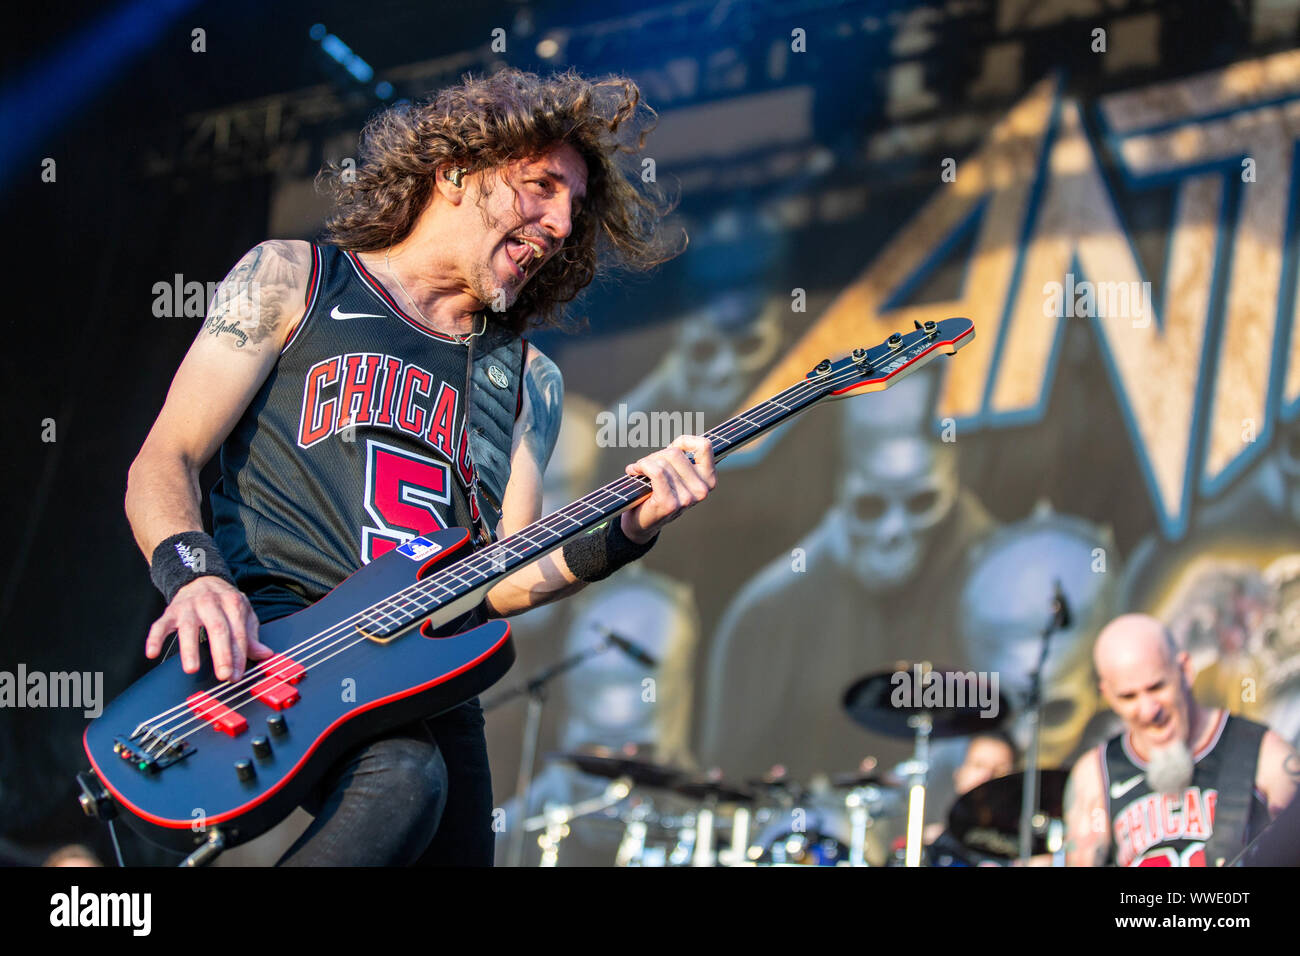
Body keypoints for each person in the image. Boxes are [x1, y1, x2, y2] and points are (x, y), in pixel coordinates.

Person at [124, 69, 717, 866]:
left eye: (574, 207)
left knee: (431, 798)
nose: (561, 220)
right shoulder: (294, 279)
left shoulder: (525, 376)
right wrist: (195, 576)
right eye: (540, 185)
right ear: (455, 171)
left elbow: (510, 576)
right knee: (403, 777)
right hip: (268, 639)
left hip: (424, 669)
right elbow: (167, 457)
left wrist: (633, 527)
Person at [1063, 614, 1299, 867]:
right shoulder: (1095, 776)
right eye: (1128, 697)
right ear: (1107, 695)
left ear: (1185, 670)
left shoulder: (1265, 755)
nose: (1148, 710)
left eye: (1156, 687)